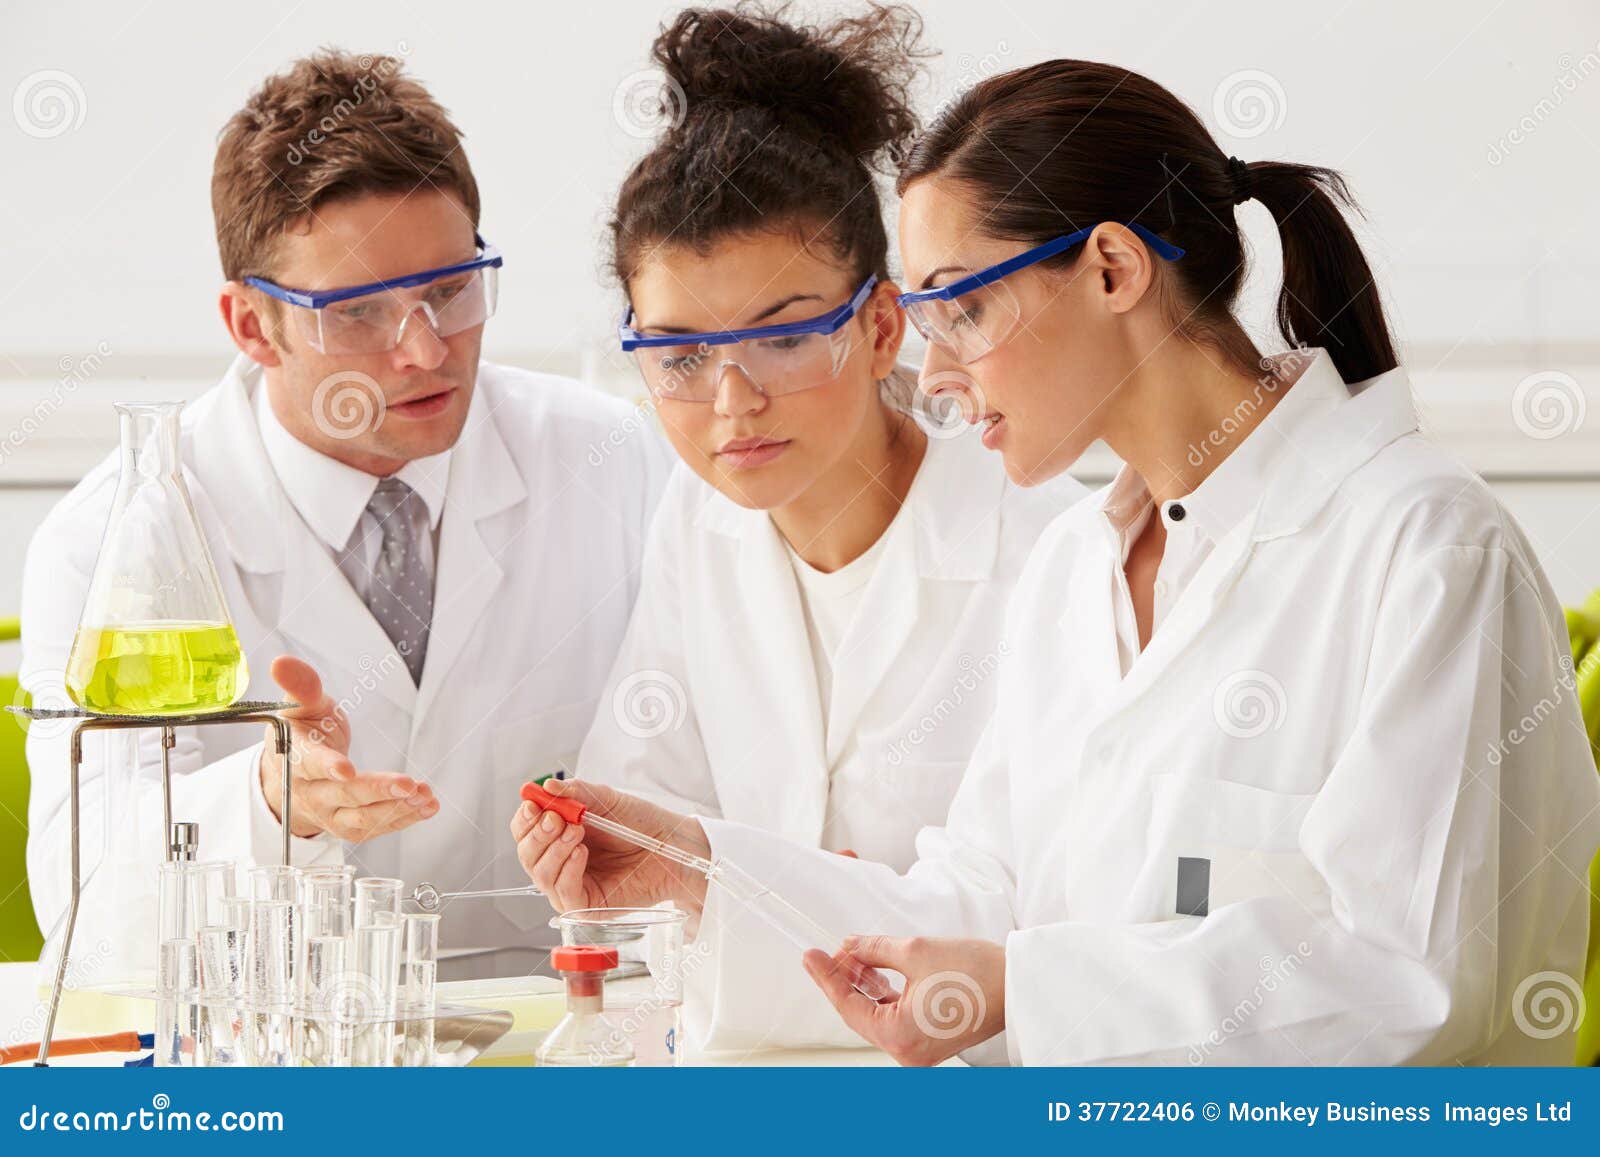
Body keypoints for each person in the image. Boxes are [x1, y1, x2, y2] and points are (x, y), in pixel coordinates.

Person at [512, 58, 1600, 1064]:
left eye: (963, 307)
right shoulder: (1081, 566)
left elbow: (1414, 986)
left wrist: (1024, 988)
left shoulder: (1424, 548)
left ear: (1113, 268)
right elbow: (986, 898)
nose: (930, 371)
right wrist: (697, 871)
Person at [21, 50, 669, 976]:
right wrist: (270, 801)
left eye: (450, 290)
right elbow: (88, 920)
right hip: (284, 1065)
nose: (425, 349)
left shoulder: (613, 459)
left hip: (566, 1035)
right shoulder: (114, 542)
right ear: (251, 325)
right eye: (360, 311)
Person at [575, 6, 1083, 869]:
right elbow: (649, 809)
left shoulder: (1050, 547)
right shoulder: (697, 522)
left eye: (784, 338)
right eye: (681, 353)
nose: (733, 402)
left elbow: (1073, 895)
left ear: (883, 328)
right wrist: (606, 850)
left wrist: (844, 906)